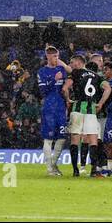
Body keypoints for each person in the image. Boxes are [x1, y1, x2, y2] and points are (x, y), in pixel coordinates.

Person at [63, 53, 107, 178]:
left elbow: (65, 88)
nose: (72, 65)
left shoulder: (75, 73)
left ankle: (76, 170)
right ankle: (93, 169)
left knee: (75, 139)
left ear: (79, 62)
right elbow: (108, 88)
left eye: (72, 62)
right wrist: (101, 103)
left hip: (77, 108)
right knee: (93, 139)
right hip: (91, 110)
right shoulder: (97, 76)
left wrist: (67, 100)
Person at [36, 46, 70, 177]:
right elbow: (43, 92)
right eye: (54, 56)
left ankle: (53, 164)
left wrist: (67, 100)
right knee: (48, 138)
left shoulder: (61, 69)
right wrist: (53, 80)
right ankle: (49, 168)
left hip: (61, 107)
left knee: (62, 137)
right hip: (49, 108)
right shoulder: (42, 72)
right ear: (48, 57)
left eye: (57, 56)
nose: (57, 59)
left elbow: (66, 85)